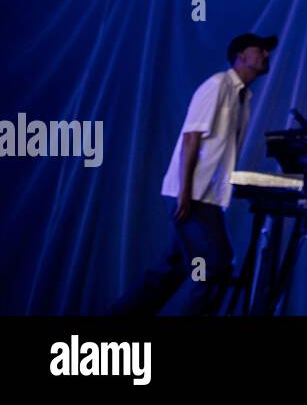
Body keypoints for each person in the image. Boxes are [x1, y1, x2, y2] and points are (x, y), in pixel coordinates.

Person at [106, 32, 277, 316]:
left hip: (206, 196)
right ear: (241, 55)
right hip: (191, 195)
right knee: (217, 265)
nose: (266, 55)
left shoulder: (244, 97)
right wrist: (185, 193)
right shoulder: (218, 85)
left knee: (174, 268)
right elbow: (191, 139)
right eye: (260, 49)